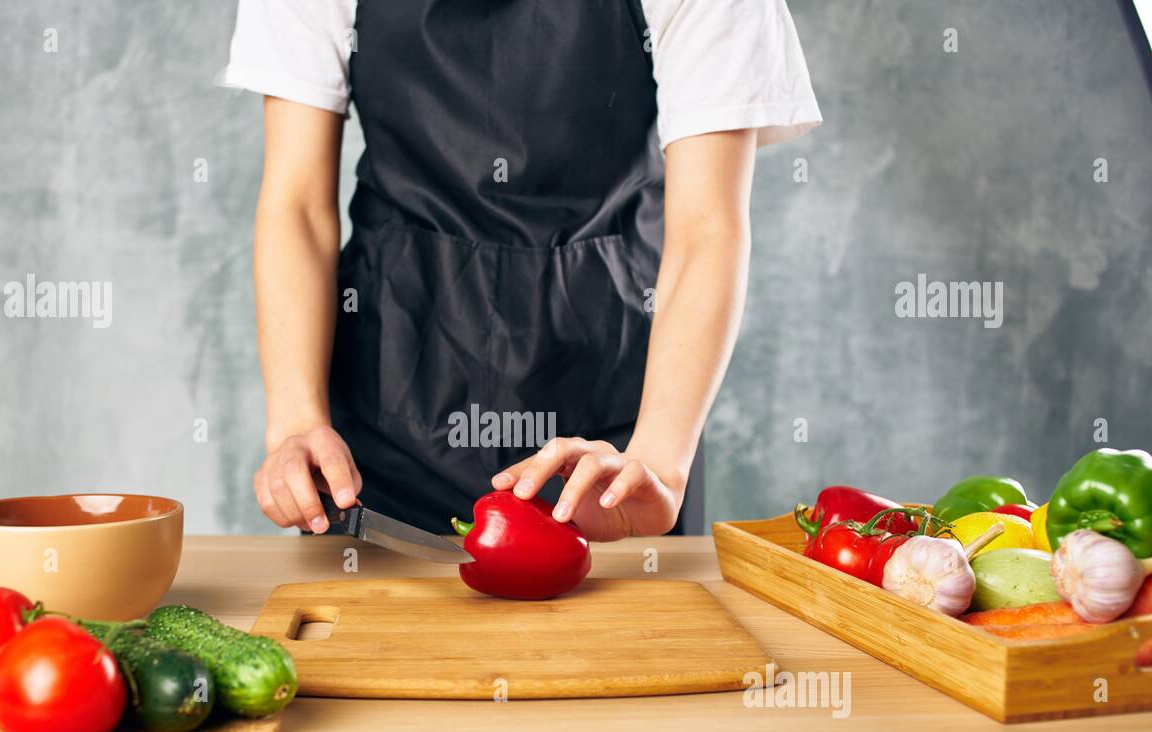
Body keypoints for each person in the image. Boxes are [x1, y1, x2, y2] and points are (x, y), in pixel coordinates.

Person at [224, 0, 820, 539]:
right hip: (379, 435)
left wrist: (660, 462)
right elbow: (296, 207)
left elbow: (706, 229)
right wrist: (296, 423)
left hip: (612, 437)